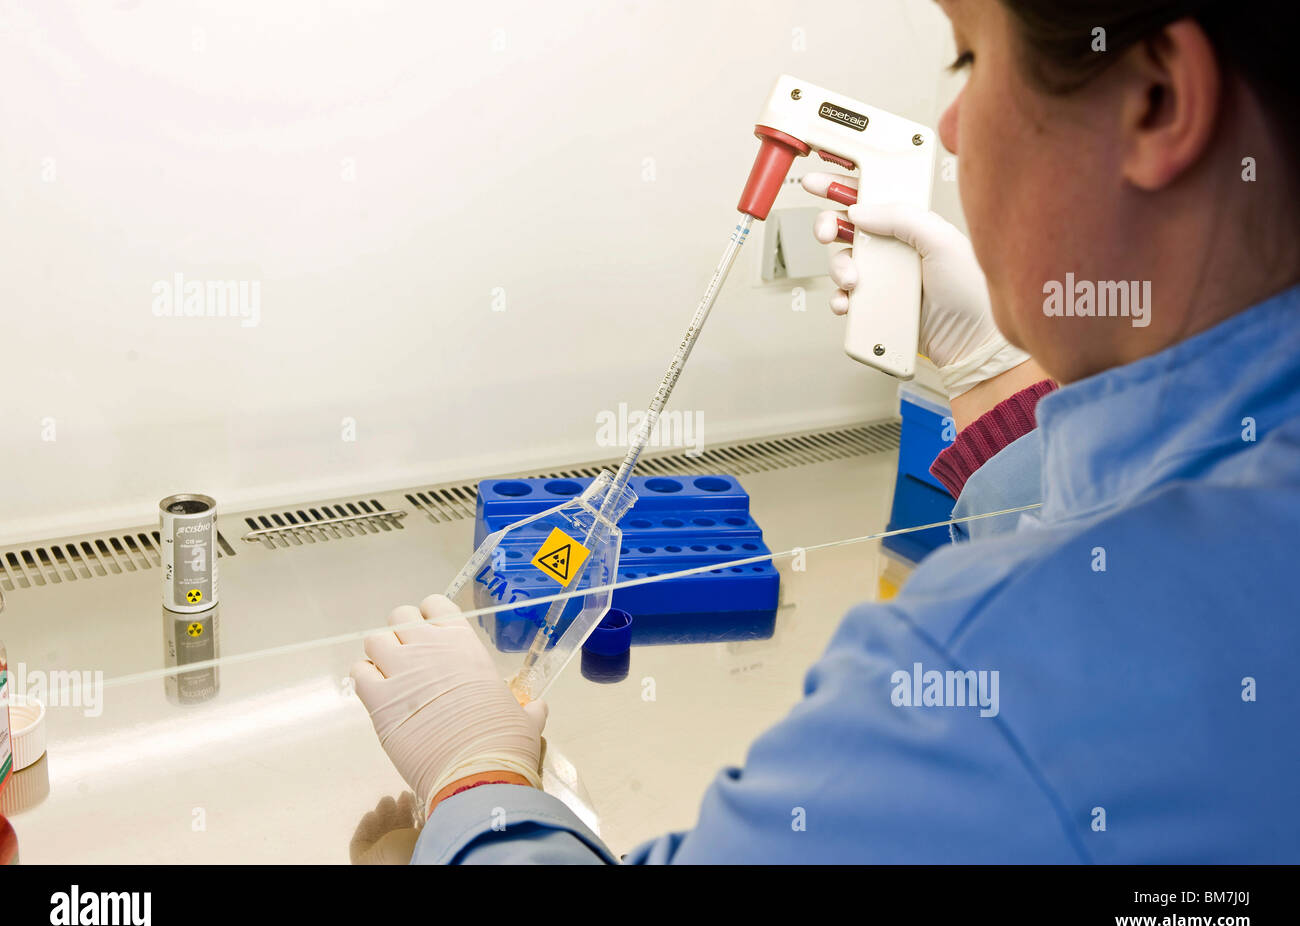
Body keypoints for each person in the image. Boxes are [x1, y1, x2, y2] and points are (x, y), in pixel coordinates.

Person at [351, 0, 1300, 863]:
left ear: (1159, 99)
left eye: (971, 56)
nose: (957, 130)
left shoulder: (980, 681)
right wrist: (999, 384)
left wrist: (477, 787)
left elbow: (1080, 637)